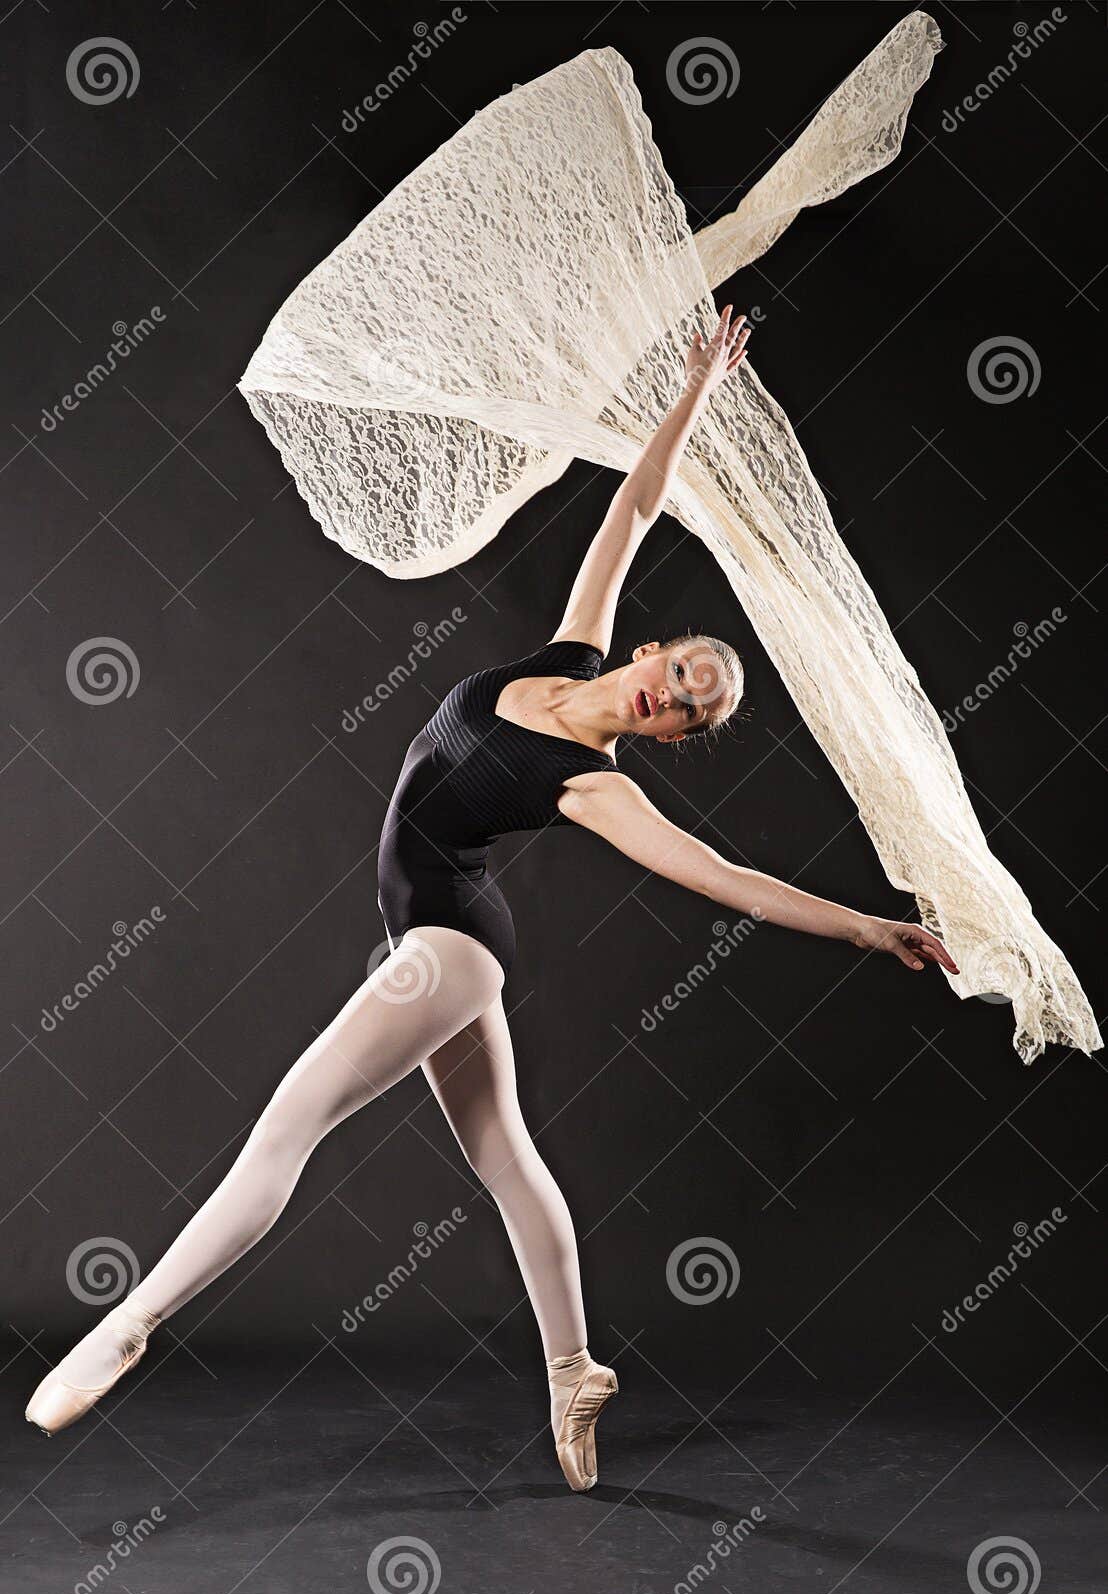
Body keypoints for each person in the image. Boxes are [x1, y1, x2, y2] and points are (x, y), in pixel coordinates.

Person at [25, 307, 957, 1490]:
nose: (665, 695)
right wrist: (696, 395)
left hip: (447, 946)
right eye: (675, 670)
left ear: (673, 733)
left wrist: (868, 925)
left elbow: (729, 881)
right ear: (647, 652)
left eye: (687, 710)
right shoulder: (568, 654)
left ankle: (132, 1321)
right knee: (507, 1159)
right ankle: (575, 1371)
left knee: (290, 1121)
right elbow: (630, 511)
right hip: (446, 937)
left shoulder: (595, 788)